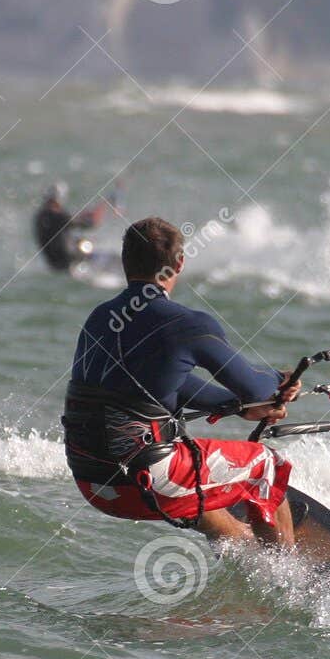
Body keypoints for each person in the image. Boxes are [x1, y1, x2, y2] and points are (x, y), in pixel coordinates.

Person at [62, 216, 300, 547]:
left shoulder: (100, 319)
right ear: (180, 263)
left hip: (96, 485)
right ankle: (288, 576)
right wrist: (279, 379)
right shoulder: (190, 324)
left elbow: (157, 387)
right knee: (268, 464)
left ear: (125, 262)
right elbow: (256, 388)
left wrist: (233, 407)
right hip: (148, 481)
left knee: (191, 482)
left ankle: (246, 551)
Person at [33, 183, 115, 272]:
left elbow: (70, 219)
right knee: (103, 255)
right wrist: (104, 206)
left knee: (81, 242)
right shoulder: (56, 216)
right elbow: (89, 224)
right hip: (67, 262)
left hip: (53, 263)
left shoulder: (41, 216)